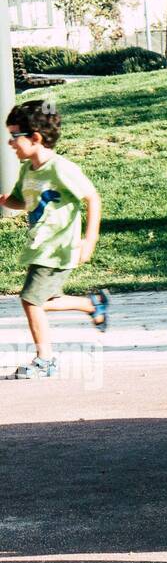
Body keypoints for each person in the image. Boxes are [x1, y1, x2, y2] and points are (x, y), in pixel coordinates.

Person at [2, 100, 109, 379]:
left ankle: (45, 360)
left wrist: (90, 240)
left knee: (30, 300)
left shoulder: (61, 168)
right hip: (40, 247)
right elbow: (20, 201)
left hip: (58, 248)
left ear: (35, 138)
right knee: (42, 300)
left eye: (14, 136)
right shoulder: (28, 170)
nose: (10, 143)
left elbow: (92, 198)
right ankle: (92, 304)